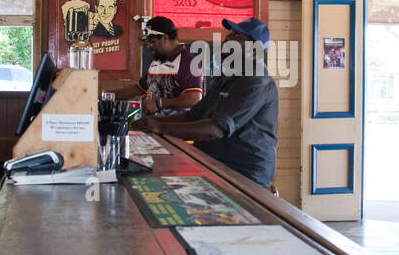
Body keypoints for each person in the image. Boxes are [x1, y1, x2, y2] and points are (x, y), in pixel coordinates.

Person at [133, 18, 279, 188]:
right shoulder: (229, 77)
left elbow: (215, 130)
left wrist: (159, 127)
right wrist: (151, 122)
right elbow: (193, 116)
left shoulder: (256, 82)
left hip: (243, 173)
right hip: (214, 163)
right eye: (230, 34)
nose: (227, 39)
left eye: (236, 36)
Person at [107, 16, 203, 116]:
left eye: (152, 42)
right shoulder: (157, 61)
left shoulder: (189, 62)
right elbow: (139, 89)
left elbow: (194, 99)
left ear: (165, 38)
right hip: (152, 123)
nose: (149, 46)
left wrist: (159, 103)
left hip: (175, 125)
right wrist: (107, 95)